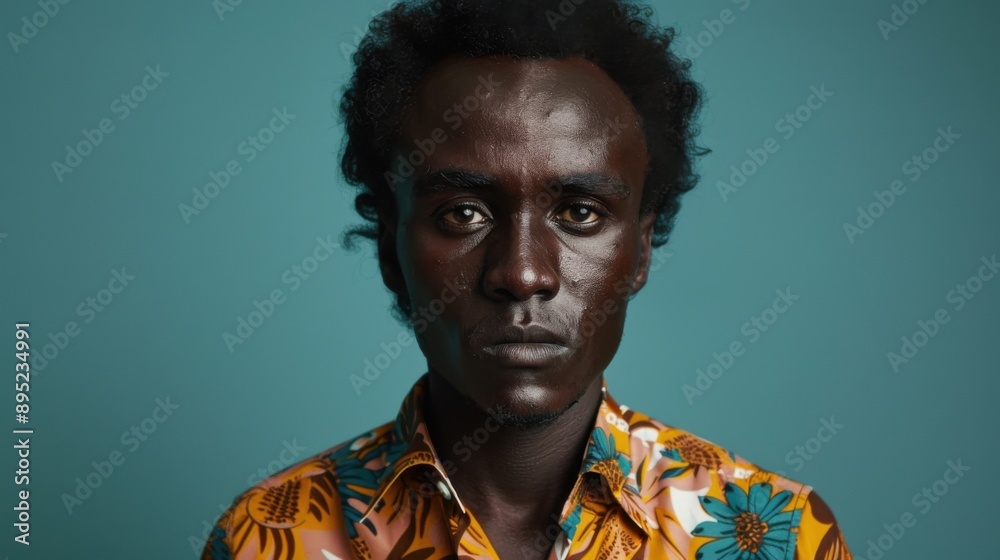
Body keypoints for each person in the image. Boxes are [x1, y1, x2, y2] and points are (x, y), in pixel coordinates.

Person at [201, 0, 853, 558]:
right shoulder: (266, 537)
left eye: (579, 213)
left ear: (641, 249)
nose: (522, 273)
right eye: (462, 213)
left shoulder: (778, 535)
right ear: (390, 249)